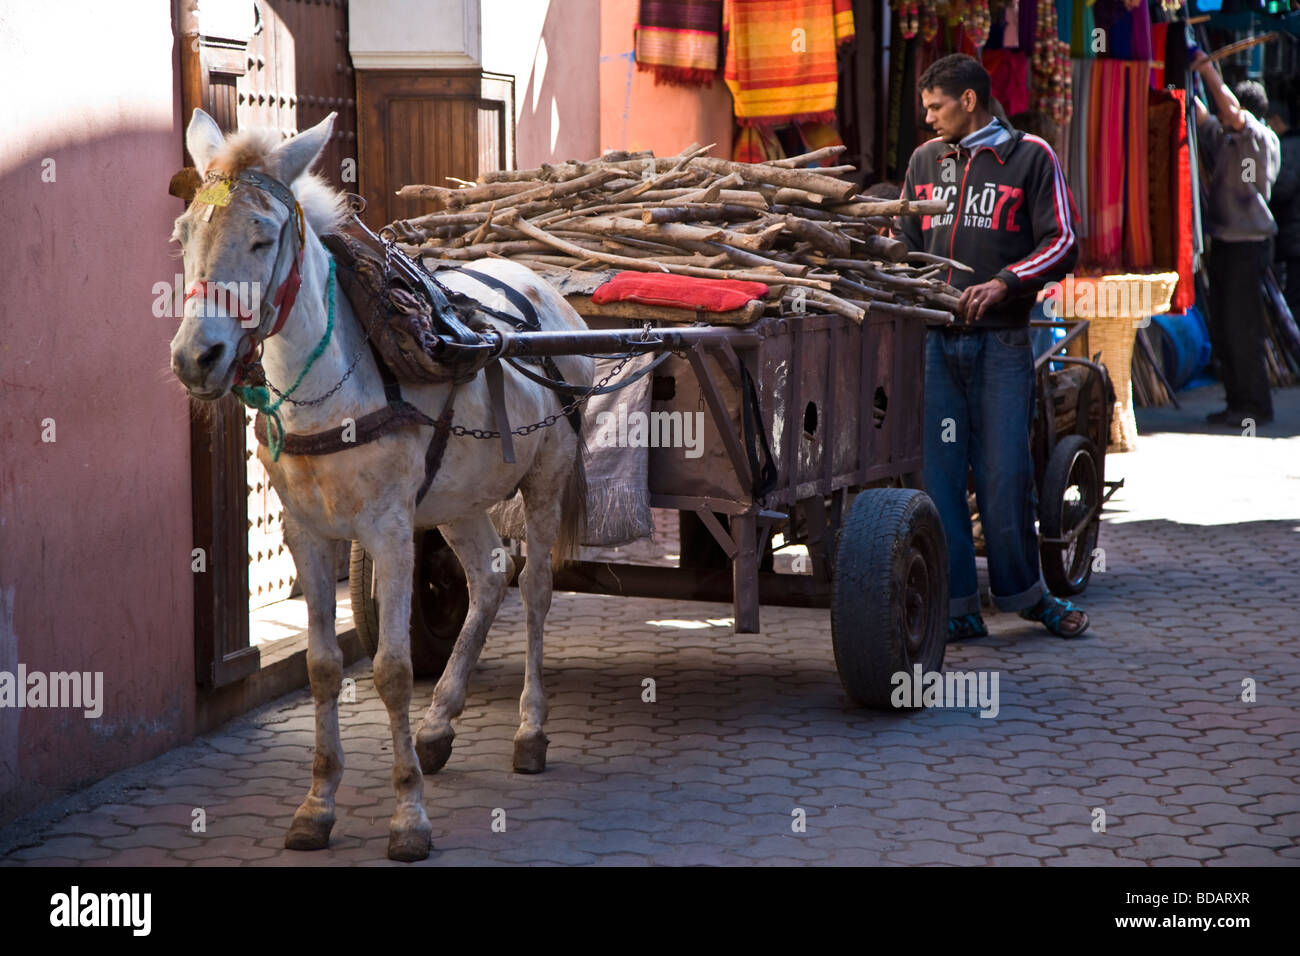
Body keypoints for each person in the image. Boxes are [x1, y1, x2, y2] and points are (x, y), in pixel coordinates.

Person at [896, 53, 1086, 640]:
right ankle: (956, 607)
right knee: (937, 477)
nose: (927, 118)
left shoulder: (1031, 157)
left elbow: (1064, 241)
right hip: (934, 345)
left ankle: (1027, 596)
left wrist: (1005, 281)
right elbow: (903, 242)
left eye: (936, 106)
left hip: (1002, 343)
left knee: (1005, 475)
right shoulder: (923, 162)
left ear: (970, 100)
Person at [1192, 59, 1281, 426]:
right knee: (1225, 326)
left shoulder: (1259, 138)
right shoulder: (1227, 139)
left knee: (1243, 326)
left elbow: (1228, 111)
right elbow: (1201, 117)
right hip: (1227, 243)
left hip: (1250, 245)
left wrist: (1205, 65)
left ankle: (1256, 406)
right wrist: (1183, 71)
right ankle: (1236, 402)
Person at [1267, 102, 1300, 323]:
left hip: (1292, 237)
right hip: (1292, 236)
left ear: (1276, 121)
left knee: (1293, 301)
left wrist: (1262, 192)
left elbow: (1282, 188)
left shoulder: (1287, 147)